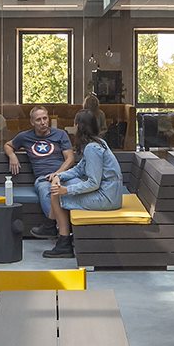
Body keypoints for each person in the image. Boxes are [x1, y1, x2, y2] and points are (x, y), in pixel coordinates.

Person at [42, 108, 125, 259]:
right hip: (110, 193)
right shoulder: (97, 143)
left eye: (74, 123)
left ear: (79, 126)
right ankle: (52, 226)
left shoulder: (92, 148)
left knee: (56, 195)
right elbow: (79, 170)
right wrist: (58, 175)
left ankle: (63, 242)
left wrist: (65, 190)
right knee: (59, 188)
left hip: (107, 198)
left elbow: (93, 183)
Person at [7, 104, 75, 239]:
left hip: (64, 175)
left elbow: (70, 158)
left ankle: (53, 226)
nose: (43, 122)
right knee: (46, 190)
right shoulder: (25, 137)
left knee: (77, 189)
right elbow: (8, 145)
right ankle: (60, 228)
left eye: (45, 118)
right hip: (43, 178)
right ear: (32, 122)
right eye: (38, 120)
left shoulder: (60, 134)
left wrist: (58, 173)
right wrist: (12, 156)